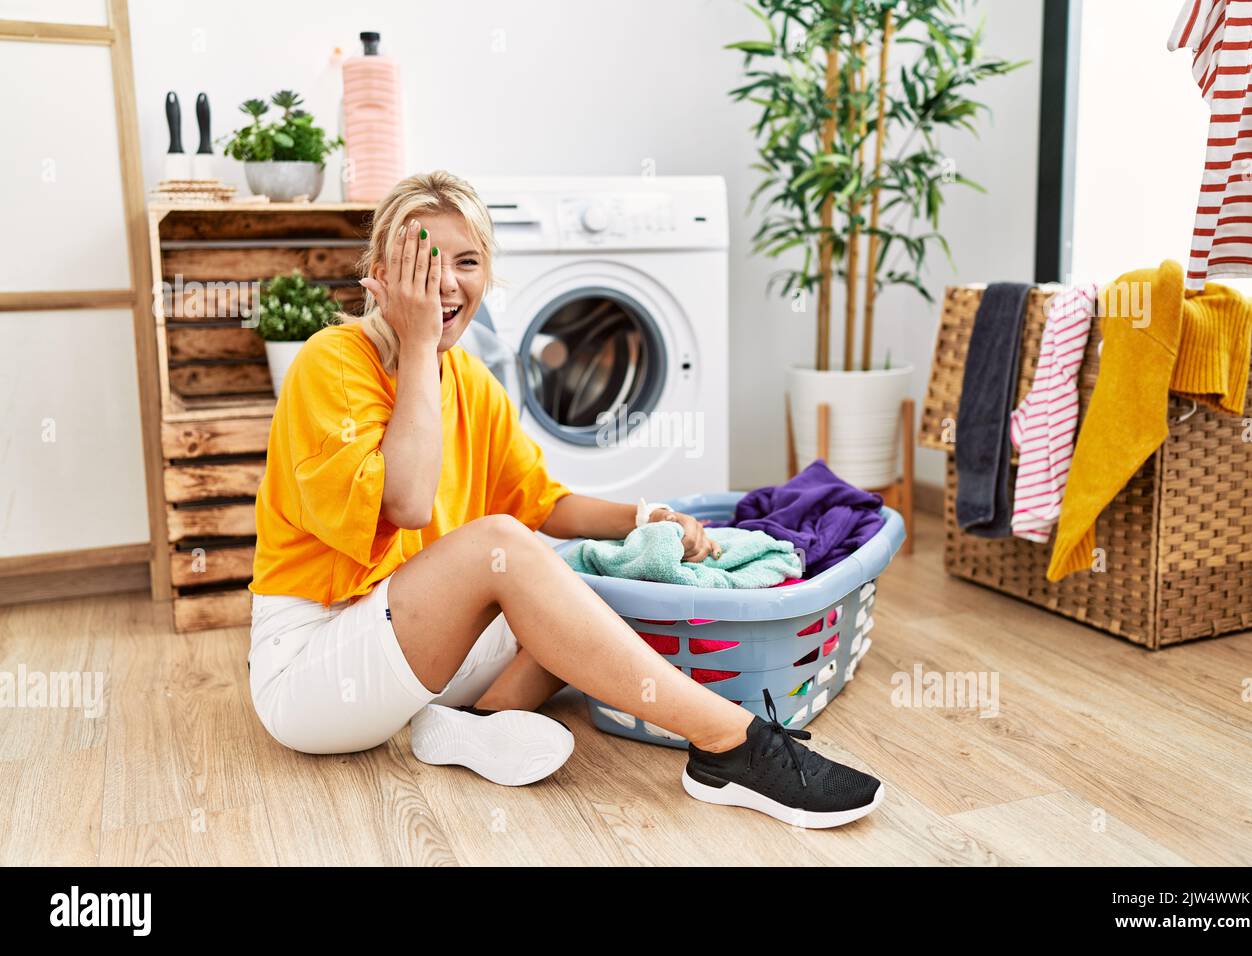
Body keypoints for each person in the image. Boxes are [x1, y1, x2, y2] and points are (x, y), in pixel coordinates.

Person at [246, 170, 884, 828]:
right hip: (317, 673)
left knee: (598, 572)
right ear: (381, 273)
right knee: (497, 547)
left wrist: (645, 518)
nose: (446, 282)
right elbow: (406, 504)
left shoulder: (469, 380)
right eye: (425, 261)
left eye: (467, 262)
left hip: (416, 656)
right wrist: (414, 345)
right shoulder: (330, 361)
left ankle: (471, 725)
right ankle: (733, 743)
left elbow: (539, 503)